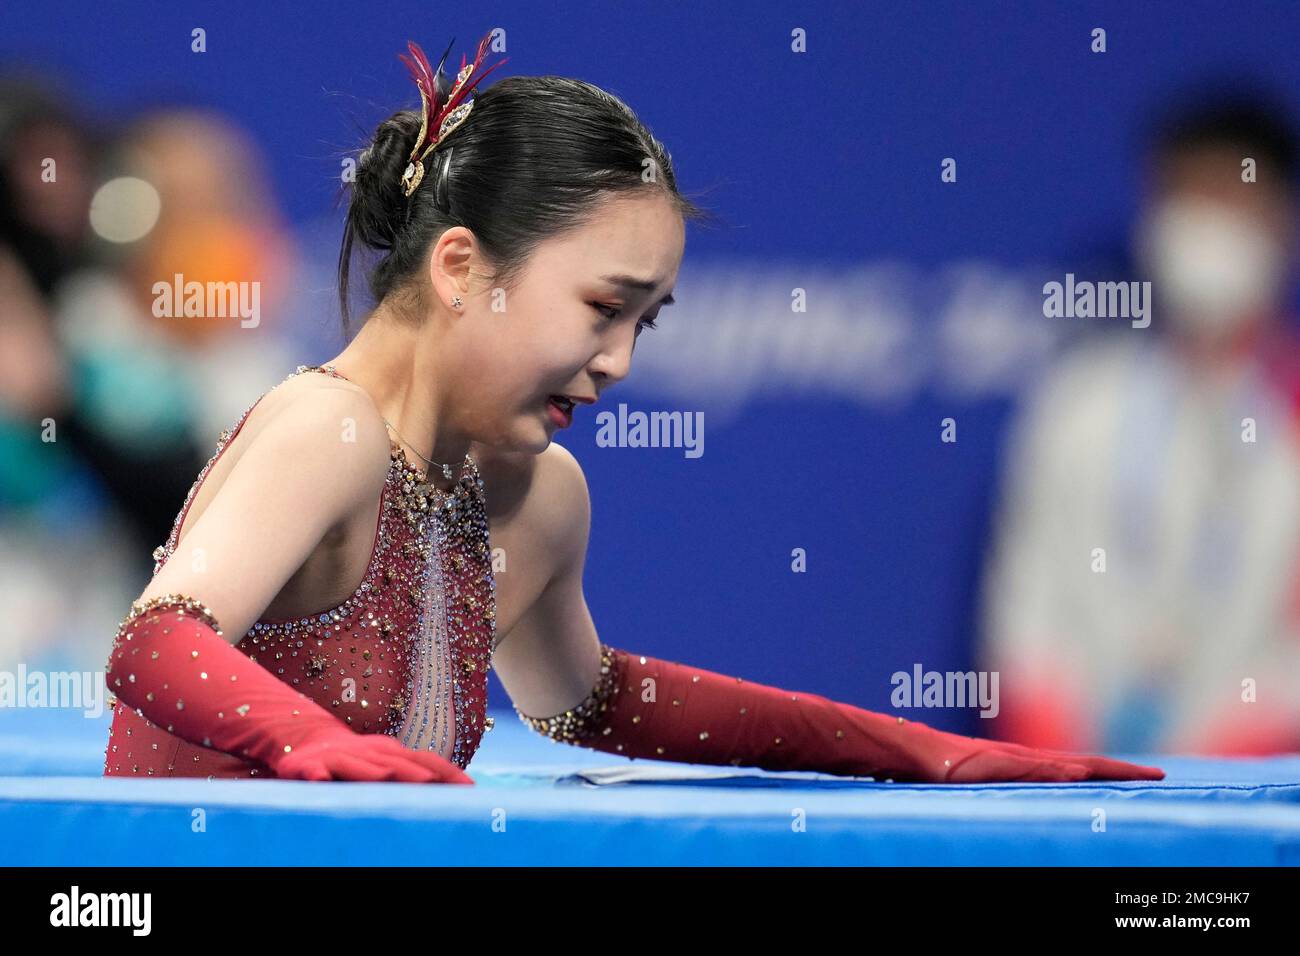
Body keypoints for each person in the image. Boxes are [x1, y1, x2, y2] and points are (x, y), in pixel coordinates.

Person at [103, 34, 1164, 784]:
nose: (615, 363)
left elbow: (596, 700)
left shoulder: (532, 494)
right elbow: (155, 640)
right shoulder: (324, 427)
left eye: (645, 324)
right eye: (604, 308)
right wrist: (300, 739)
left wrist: (906, 747)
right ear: (463, 267)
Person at [980, 86, 1300, 755]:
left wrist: (1213, 771)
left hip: (1257, 803)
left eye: (1230, 198)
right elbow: (1026, 607)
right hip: (1078, 792)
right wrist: (1070, 763)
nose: (1205, 224)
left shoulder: (1290, 412)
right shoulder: (1077, 402)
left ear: (1280, 221)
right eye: (1187, 197)